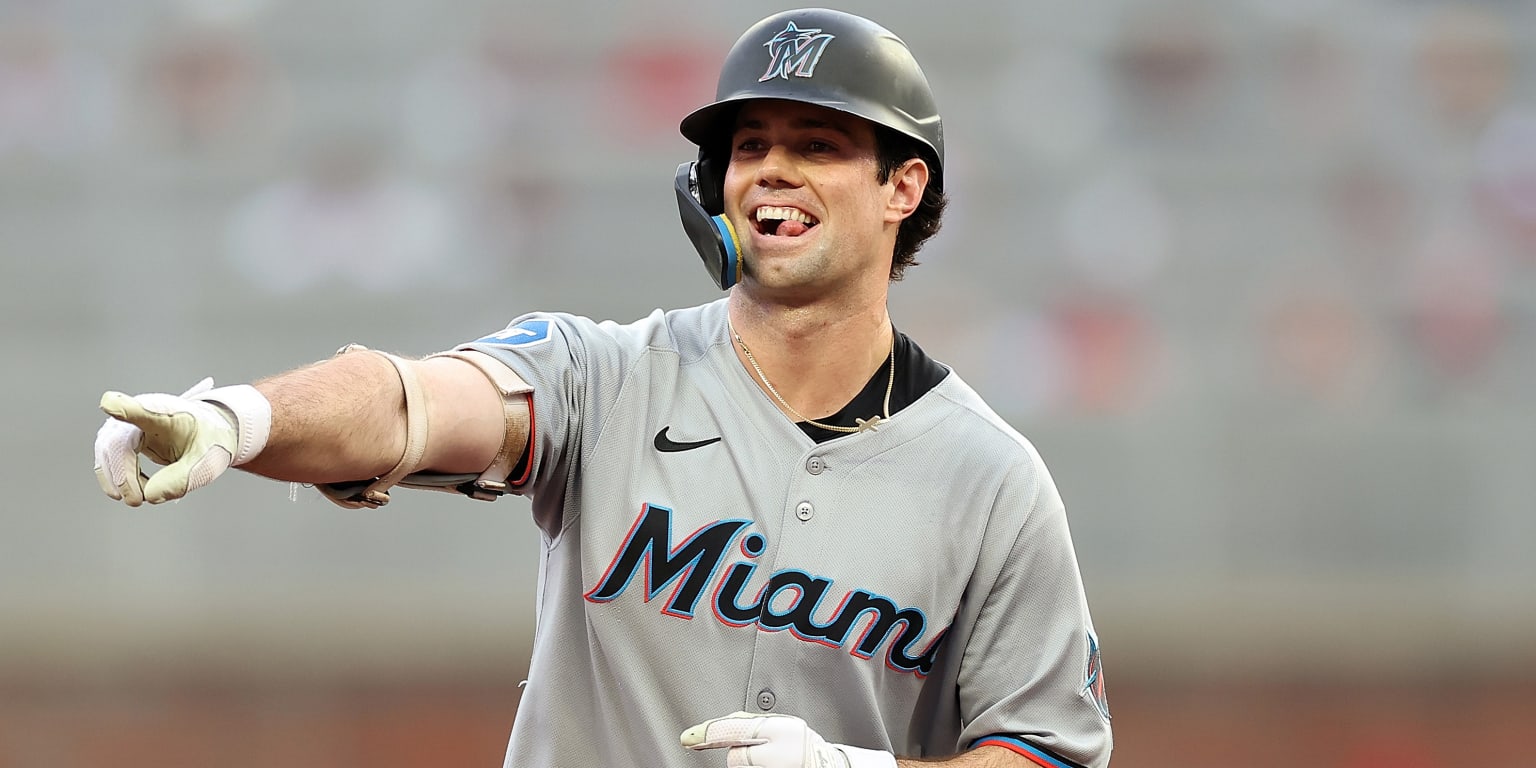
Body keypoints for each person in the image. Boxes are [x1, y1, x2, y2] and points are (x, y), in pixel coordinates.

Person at [92, 9, 1113, 768]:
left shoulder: (992, 482)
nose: (770, 170)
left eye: (818, 144)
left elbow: (1051, 749)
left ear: (905, 185)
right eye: (748, 145)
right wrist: (242, 418)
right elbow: (406, 402)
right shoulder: (609, 375)